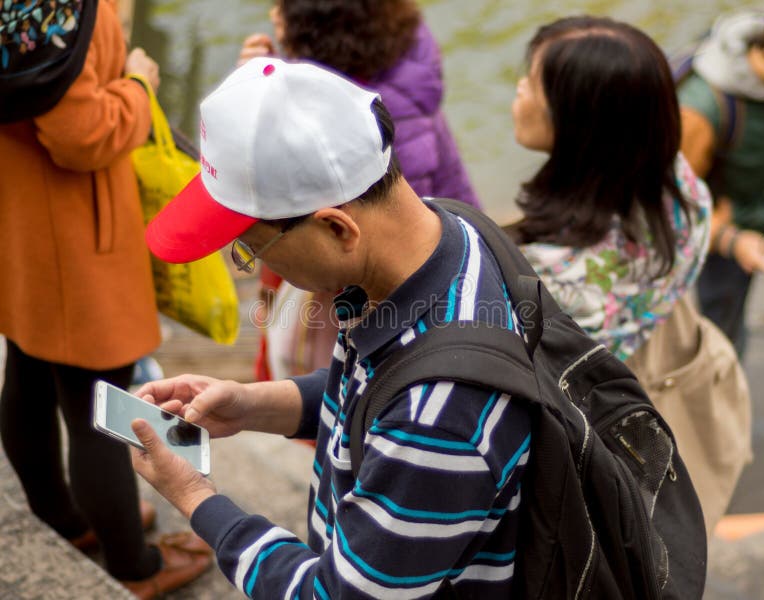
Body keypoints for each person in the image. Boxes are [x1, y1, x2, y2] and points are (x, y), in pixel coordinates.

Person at [133, 57, 531, 599]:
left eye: (251, 251)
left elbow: (335, 595)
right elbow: (374, 389)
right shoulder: (449, 231)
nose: (250, 266)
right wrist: (254, 404)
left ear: (337, 228)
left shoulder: (439, 417)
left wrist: (194, 497)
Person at [0, 1, 211, 597]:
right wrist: (140, 82)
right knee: (98, 406)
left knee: (29, 371)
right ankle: (131, 564)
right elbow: (82, 134)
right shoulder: (64, 11)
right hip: (73, 234)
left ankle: (63, 519)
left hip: (18, 218)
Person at [238, 0, 481, 381]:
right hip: (447, 218)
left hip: (360, 288)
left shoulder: (371, 129)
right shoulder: (406, 54)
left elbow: (380, 250)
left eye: (282, 10)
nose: (272, 16)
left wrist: (265, 97)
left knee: (329, 373)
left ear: (319, 27)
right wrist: (272, 79)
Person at [509, 16, 712, 361]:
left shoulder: (545, 276)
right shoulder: (684, 189)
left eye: (533, 81)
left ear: (579, 121)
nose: (520, 87)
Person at [678, 0, 764, 356]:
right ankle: (726, 403)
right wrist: (732, 239)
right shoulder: (701, 111)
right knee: (724, 336)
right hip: (731, 235)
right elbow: (674, 211)